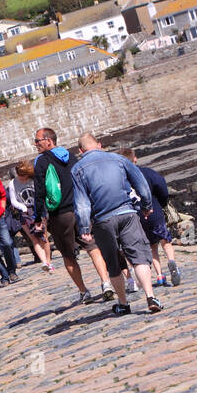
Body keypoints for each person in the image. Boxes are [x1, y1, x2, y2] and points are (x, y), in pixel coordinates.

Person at [72, 133, 162, 314]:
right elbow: (141, 184)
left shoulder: (77, 169)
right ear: (99, 145)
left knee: (112, 262)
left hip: (102, 220)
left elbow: (81, 204)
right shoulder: (118, 159)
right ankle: (150, 296)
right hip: (127, 213)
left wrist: (83, 228)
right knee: (139, 255)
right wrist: (146, 205)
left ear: (80, 151)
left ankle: (123, 303)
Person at [32, 128, 114, 306]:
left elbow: (39, 191)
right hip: (81, 208)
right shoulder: (70, 156)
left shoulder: (41, 162)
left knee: (68, 256)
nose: (35, 144)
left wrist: (38, 216)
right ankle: (106, 282)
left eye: (38, 141)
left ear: (49, 141)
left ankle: (84, 292)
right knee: (92, 246)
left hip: (60, 214)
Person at [118, 147, 181, 287]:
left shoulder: (122, 180)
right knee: (165, 240)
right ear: (135, 159)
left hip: (138, 217)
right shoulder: (146, 172)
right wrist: (163, 201)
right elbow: (161, 186)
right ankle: (171, 261)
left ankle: (159, 276)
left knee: (152, 247)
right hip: (155, 211)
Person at [7, 160, 54, 273]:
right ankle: (44, 262)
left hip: (38, 210)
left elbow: (42, 194)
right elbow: (13, 200)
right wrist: (23, 209)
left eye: (23, 176)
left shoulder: (34, 180)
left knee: (43, 237)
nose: (20, 178)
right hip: (24, 213)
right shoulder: (12, 183)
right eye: (19, 175)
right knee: (34, 239)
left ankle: (48, 261)